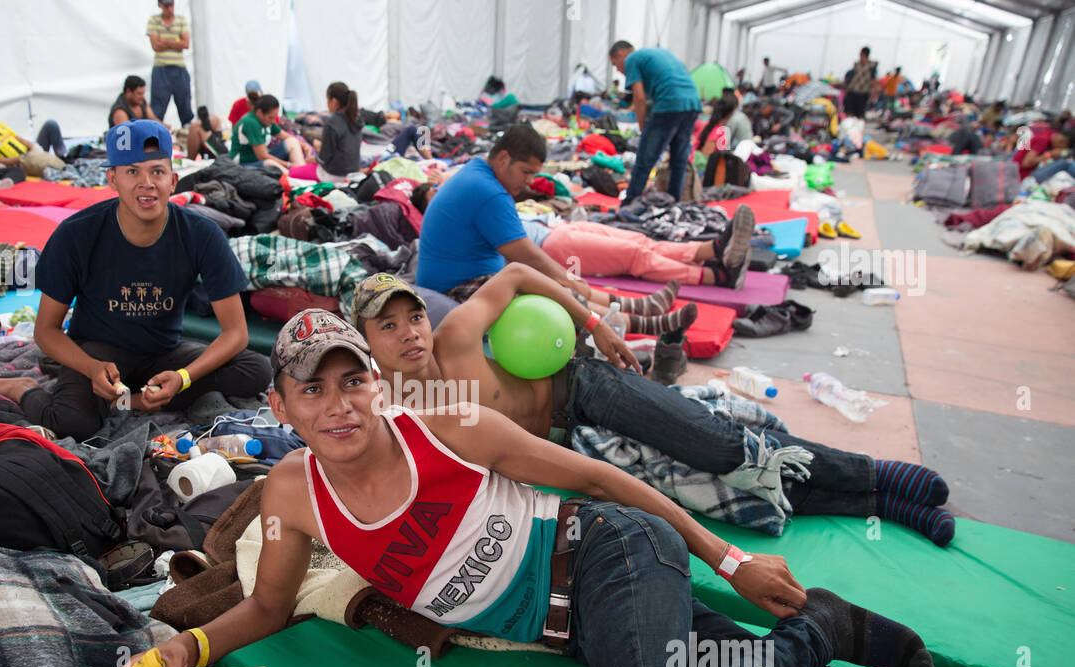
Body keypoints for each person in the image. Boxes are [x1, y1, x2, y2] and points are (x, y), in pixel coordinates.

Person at [119, 306, 1073, 667]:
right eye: (311, 391)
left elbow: (607, 482)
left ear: (374, 383)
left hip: (616, 560)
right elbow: (274, 605)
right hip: (589, 633)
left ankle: (818, 626)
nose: (339, 406)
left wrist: (729, 557)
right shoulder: (292, 494)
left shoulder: (451, 428)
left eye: (350, 381)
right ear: (279, 407)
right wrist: (186, 652)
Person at [352, 272, 957, 546]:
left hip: (581, 386)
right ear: (368, 346)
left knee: (717, 444)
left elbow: (514, 275)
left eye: (413, 316)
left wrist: (595, 324)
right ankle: (882, 504)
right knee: (719, 490)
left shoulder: (457, 335)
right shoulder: (402, 418)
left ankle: (880, 473)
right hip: (569, 450)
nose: (410, 332)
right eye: (389, 326)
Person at [0, 121, 272, 440]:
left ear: (173, 180)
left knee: (256, 370)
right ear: (112, 179)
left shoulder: (201, 234)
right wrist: (89, 368)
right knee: (73, 423)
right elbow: (46, 331)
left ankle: (132, 402)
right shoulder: (77, 234)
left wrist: (183, 376)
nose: (146, 183)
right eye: (132, 172)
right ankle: (24, 389)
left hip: (163, 353)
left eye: (157, 172)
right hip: (100, 358)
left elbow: (236, 332)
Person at [416, 124, 749, 334]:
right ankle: (643, 321)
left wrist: (564, 277)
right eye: (526, 172)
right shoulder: (487, 190)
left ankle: (641, 305)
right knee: (560, 284)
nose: (529, 182)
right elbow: (525, 256)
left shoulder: (478, 174)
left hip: (478, 272)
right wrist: (565, 277)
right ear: (502, 158)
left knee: (631, 245)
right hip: (459, 287)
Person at [609, 41, 704, 203]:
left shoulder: (631, 59)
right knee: (679, 158)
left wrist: (642, 127)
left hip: (670, 103)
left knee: (645, 157)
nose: (618, 70)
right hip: (692, 103)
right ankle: (673, 200)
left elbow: (639, 98)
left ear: (620, 55)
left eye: (615, 65)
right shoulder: (656, 53)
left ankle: (630, 202)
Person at [147, 0, 192, 126]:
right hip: (161, 68)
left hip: (179, 68)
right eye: (166, 6)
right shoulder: (154, 20)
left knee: (184, 103)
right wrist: (176, 42)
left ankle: (188, 131)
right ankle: (154, 133)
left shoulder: (181, 20)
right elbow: (155, 45)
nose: (169, 8)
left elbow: (185, 44)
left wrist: (165, 41)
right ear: (160, 5)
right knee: (158, 106)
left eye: (171, 5)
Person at [230, 94, 308, 170]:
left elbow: (283, 135)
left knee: (292, 142)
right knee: (271, 163)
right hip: (244, 163)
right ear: (259, 112)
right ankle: (296, 175)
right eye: (271, 118)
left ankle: (302, 170)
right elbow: (262, 156)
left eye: (275, 117)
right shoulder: (251, 123)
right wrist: (288, 165)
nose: (273, 121)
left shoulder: (266, 121)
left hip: (258, 159)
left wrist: (302, 145)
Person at [317, 81, 363, 184]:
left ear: (333, 101)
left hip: (335, 175)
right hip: (354, 172)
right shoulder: (357, 120)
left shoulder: (332, 123)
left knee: (296, 171)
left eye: (327, 99)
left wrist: (316, 157)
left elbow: (324, 157)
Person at [842, 47, 877, 119]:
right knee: (848, 110)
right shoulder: (857, 64)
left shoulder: (871, 66)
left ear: (863, 54)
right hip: (853, 90)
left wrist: (874, 92)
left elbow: (873, 79)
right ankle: (849, 125)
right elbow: (851, 77)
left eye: (860, 54)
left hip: (863, 92)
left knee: (860, 113)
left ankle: (858, 126)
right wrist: (847, 89)